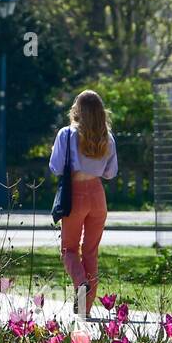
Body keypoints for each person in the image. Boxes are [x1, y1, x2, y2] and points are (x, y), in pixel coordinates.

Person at [49, 90, 118, 318]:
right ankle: (85, 309)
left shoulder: (66, 134)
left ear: (77, 110)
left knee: (69, 249)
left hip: (75, 194)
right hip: (98, 196)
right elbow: (110, 173)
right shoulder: (107, 137)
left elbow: (56, 167)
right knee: (91, 252)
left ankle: (80, 282)